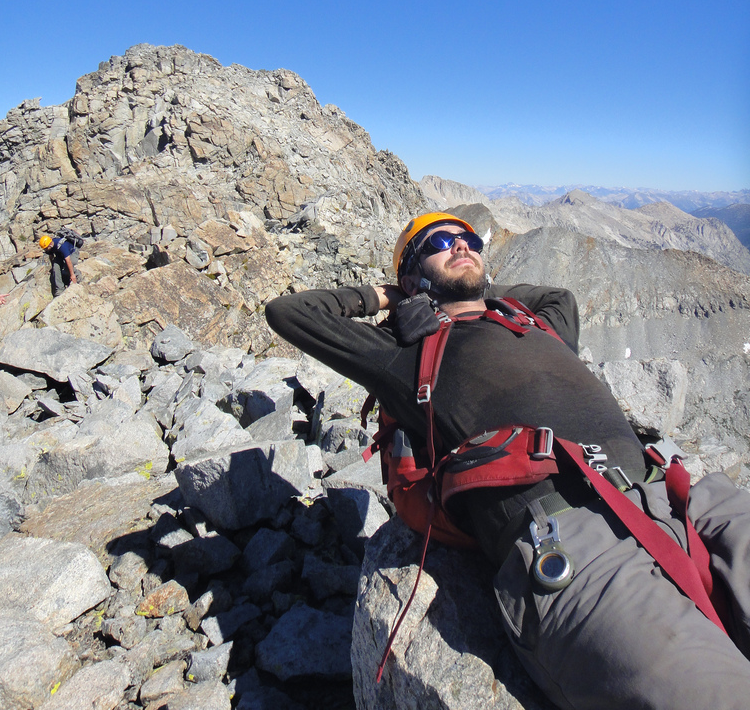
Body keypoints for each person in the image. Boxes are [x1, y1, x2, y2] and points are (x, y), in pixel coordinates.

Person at [266, 212, 750, 710]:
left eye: (469, 240)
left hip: (682, 496)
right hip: (572, 541)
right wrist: (394, 296)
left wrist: (480, 291)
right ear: (412, 273)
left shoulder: (531, 320)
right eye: (439, 242)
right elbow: (289, 312)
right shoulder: (403, 354)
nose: (460, 246)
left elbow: (560, 297)